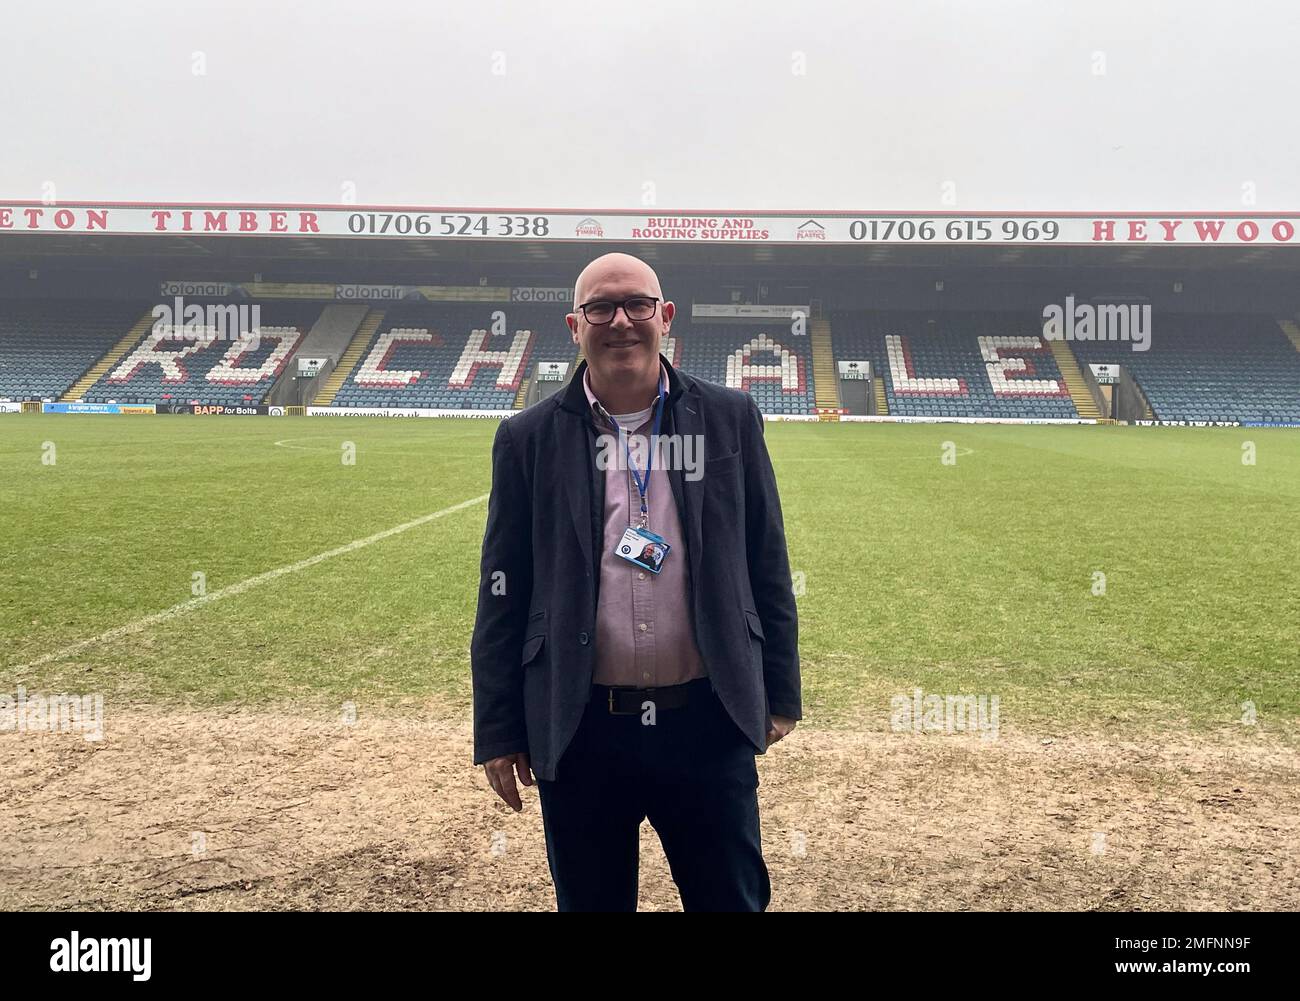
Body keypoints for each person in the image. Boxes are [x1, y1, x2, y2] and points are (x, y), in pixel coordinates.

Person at [470, 252, 801, 911]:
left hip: (706, 720)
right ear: (575, 324)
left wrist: (780, 690)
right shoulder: (527, 438)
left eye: (636, 305)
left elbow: (765, 558)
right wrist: (500, 726)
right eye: (600, 307)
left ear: (665, 316)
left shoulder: (729, 417)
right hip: (582, 724)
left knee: (729, 901)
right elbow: (502, 586)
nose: (620, 320)